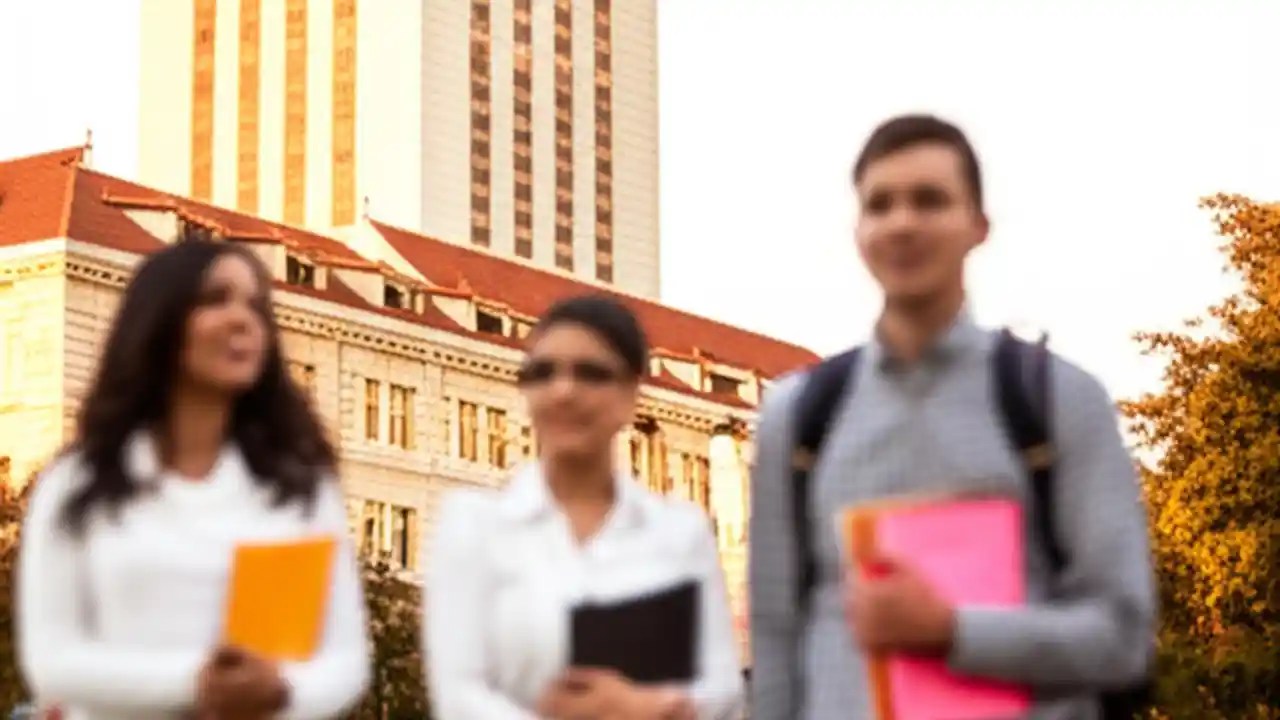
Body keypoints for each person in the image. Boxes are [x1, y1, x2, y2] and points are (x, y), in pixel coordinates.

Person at [747, 114, 1156, 719]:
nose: (903, 222)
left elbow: (1123, 636)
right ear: (858, 231)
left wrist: (953, 631)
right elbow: (777, 642)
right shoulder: (797, 417)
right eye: (880, 205)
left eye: (930, 200)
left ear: (978, 226)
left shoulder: (1060, 402)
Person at [16, 237, 371, 720]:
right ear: (159, 323)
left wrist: (279, 689)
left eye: (255, 305)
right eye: (215, 299)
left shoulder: (301, 487)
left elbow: (346, 661)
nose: (243, 319)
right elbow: (53, 663)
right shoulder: (77, 484)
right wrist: (197, 683)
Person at [425, 294, 744, 720]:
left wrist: (640, 708)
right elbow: (459, 695)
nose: (564, 391)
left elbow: (722, 689)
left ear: (631, 393)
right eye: (543, 373)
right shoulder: (473, 524)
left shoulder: (679, 533)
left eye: (590, 374)